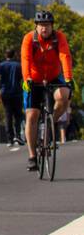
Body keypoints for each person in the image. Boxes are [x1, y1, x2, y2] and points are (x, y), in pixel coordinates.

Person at [22, 10, 73, 174]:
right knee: (32, 115)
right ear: (36, 26)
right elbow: (25, 59)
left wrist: (68, 77)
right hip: (33, 79)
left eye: (48, 25)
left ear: (52, 26)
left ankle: (51, 123)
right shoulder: (29, 39)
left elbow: (65, 56)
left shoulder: (59, 37)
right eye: (41, 25)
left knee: (64, 95)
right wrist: (27, 78)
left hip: (53, 77)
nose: (44, 29)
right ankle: (32, 156)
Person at [0, 48, 25, 148]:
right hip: (17, 93)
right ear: (14, 55)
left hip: (5, 93)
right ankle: (18, 136)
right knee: (18, 116)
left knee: (8, 115)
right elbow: (24, 78)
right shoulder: (18, 65)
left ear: (5, 55)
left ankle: (9, 139)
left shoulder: (1, 65)